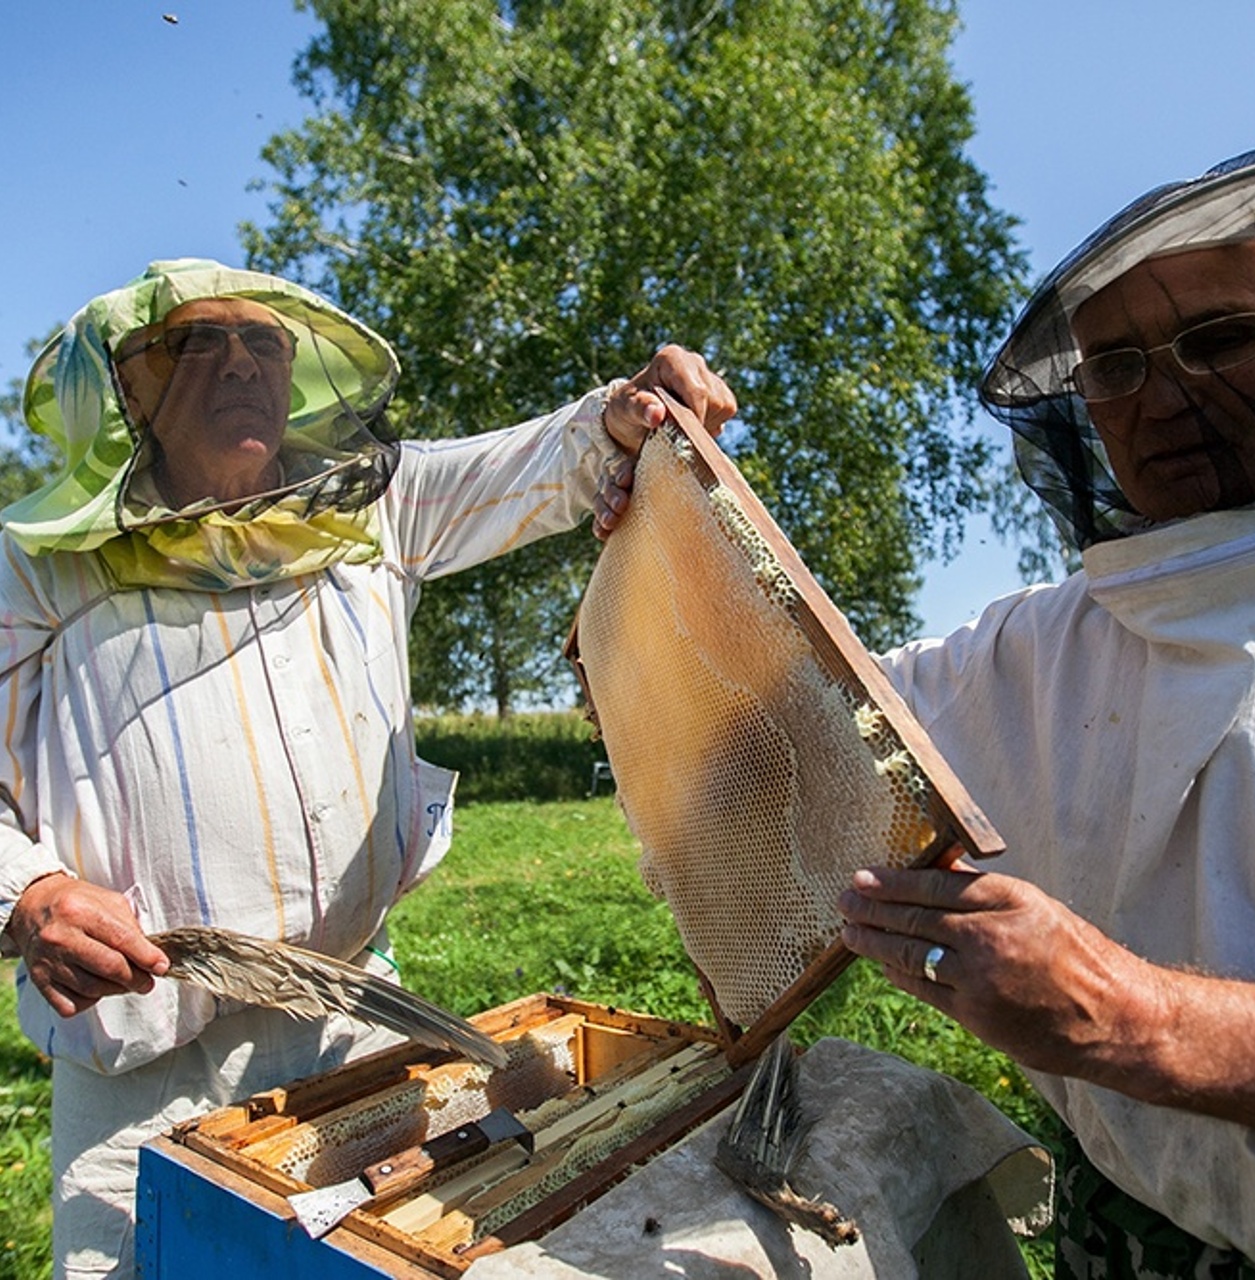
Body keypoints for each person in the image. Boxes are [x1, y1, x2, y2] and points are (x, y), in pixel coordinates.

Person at [0, 257, 734, 1280]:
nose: (241, 365)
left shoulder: (371, 507)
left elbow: (539, 459)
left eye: (265, 343)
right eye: (199, 343)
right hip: (147, 1062)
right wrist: (28, 891)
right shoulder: (38, 564)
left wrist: (627, 410)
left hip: (356, 1020)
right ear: (128, 387)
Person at [831, 145, 1255, 1278]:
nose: (1161, 393)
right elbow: (801, 712)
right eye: (1114, 366)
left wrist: (1126, 1015)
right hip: (1115, 1229)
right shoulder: (1038, 639)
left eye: (1218, 338)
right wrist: (647, 545)